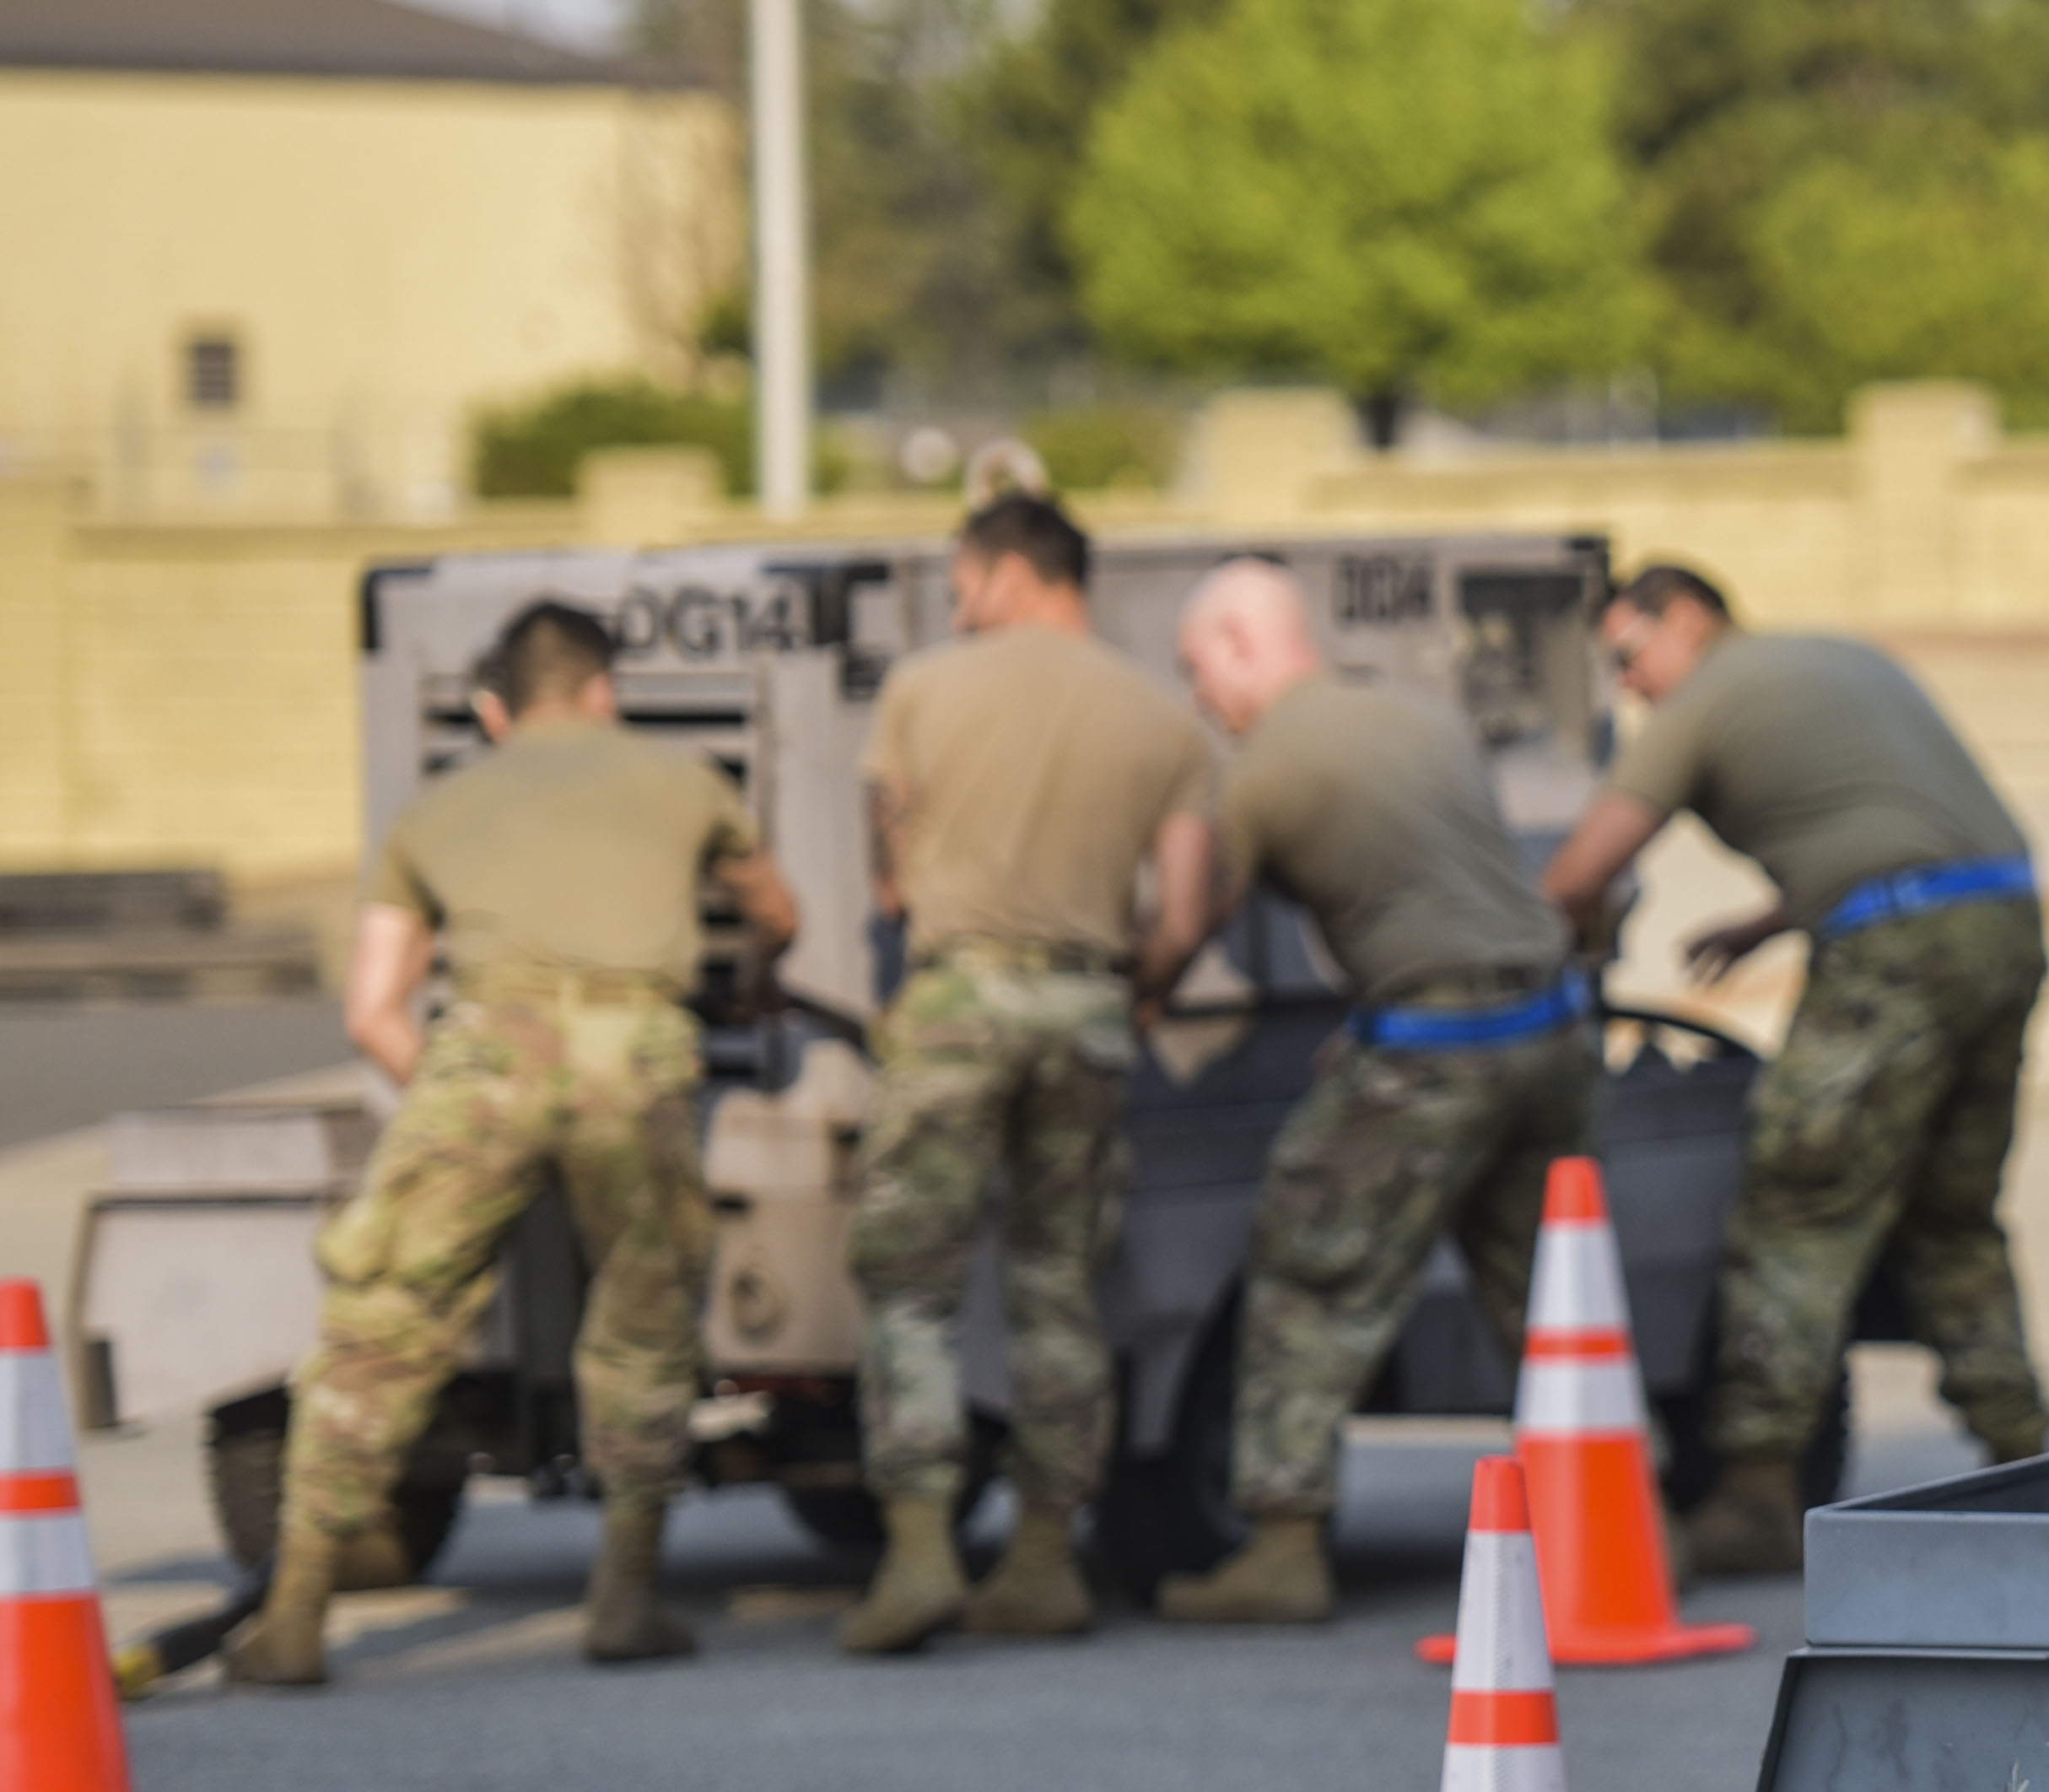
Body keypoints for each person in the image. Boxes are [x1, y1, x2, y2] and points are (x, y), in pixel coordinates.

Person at [229, 601, 799, 1689]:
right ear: (605, 691)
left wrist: (463, 1092)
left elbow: (373, 1009)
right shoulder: (685, 782)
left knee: (385, 1317)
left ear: (496, 709)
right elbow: (776, 911)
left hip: (490, 1046)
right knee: (643, 1322)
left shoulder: (437, 807)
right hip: (635, 1050)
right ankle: (626, 1600)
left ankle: (296, 1615)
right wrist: (754, 980)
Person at [1538, 564, 2049, 1575]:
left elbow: (1576, 876)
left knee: (1798, 1208)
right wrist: (1772, 917)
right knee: (1951, 1215)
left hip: (1895, 951)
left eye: (1629, 656)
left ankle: (1756, 1492)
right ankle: (2027, 1453)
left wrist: (1538, 961)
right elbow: (1895, 819)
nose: (1631, 686)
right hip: (2003, 924)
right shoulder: (1830, 656)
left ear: (1686, 619)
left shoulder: (1705, 699)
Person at [1153, 561, 1599, 1625]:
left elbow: (1191, 922)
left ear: (1241, 644)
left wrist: (1136, 994)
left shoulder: (1260, 771)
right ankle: (1623, 1518)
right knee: (1553, 1299)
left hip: (1434, 1047)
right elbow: (1439, 883)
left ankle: (1282, 1541)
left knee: (1312, 1271)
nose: (1197, 697)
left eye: (1196, 669)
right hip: (1546, 1027)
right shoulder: (1420, 717)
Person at [838, 491, 1215, 1656]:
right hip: (1090, 1007)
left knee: (909, 1282)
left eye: (961, 582)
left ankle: (916, 1552)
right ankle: (1047, 1558)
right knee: (1059, 1283)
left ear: (1007, 574)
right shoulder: (1164, 720)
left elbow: (886, 859)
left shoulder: (921, 688)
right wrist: (1133, 981)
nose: (957, 605)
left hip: (959, 996)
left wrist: (919, 905)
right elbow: (1188, 908)